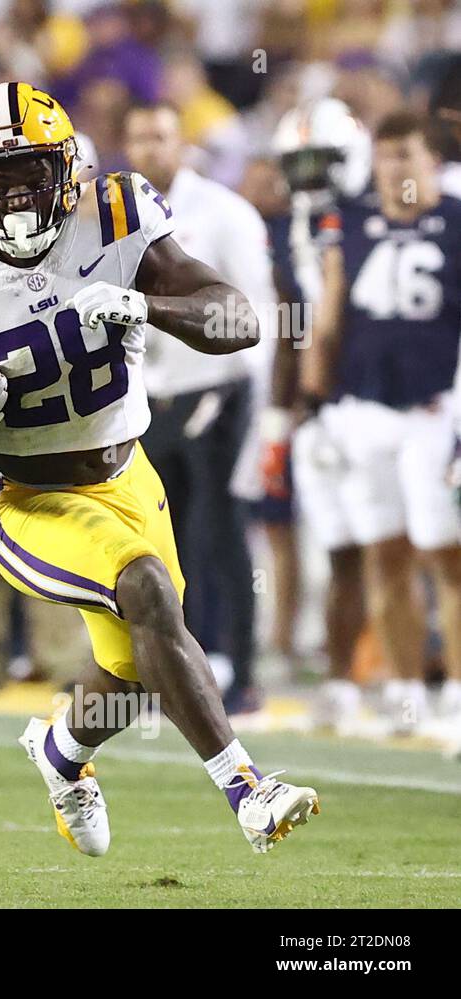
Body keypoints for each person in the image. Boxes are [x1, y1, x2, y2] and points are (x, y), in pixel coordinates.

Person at [0, 83, 318, 856]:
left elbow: (239, 319)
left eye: (31, 173)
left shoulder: (115, 218)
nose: (16, 194)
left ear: (68, 171)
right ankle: (249, 789)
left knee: (138, 667)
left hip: (130, 476)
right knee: (146, 589)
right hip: (29, 497)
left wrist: (147, 308)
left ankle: (60, 754)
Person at [299, 111, 461, 731]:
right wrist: (314, 402)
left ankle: (453, 690)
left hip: (433, 409)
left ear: (432, 160)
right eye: (385, 155)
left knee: (443, 553)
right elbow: (329, 315)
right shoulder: (353, 223)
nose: (394, 168)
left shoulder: (454, 223)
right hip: (364, 410)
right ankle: (407, 689)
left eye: (406, 155)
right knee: (383, 554)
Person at [122, 102, 275, 715]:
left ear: (180, 141)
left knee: (221, 532)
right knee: (164, 542)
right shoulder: (116, 218)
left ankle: (244, 669)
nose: (149, 148)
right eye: (139, 137)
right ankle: (180, 672)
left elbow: (256, 314)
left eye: (160, 135)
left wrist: (263, 416)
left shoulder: (223, 212)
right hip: (153, 396)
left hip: (217, 390)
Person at [268, 97, 373, 731]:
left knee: (413, 545)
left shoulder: (384, 216)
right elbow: (292, 322)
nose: (310, 177)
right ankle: (347, 679)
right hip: (324, 407)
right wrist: (284, 411)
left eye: (322, 162)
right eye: (298, 164)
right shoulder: (295, 229)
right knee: (344, 548)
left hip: (384, 396)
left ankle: (414, 677)